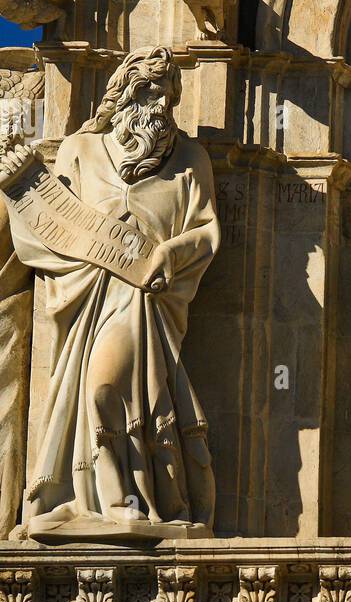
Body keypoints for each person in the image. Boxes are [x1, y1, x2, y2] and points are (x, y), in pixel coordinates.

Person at [0, 46, 220, 539]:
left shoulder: (190, 160)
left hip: (144, 302)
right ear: (124, 93)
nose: (161, 107)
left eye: (169, 97)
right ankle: (92, 501)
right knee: (88, 391)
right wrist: (16, 183)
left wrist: (168, 254)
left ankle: (128, 501)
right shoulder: (80, 150)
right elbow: (45, 230)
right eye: (151, 93)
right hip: (84, 298)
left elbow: (207, 232)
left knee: (106, 386)